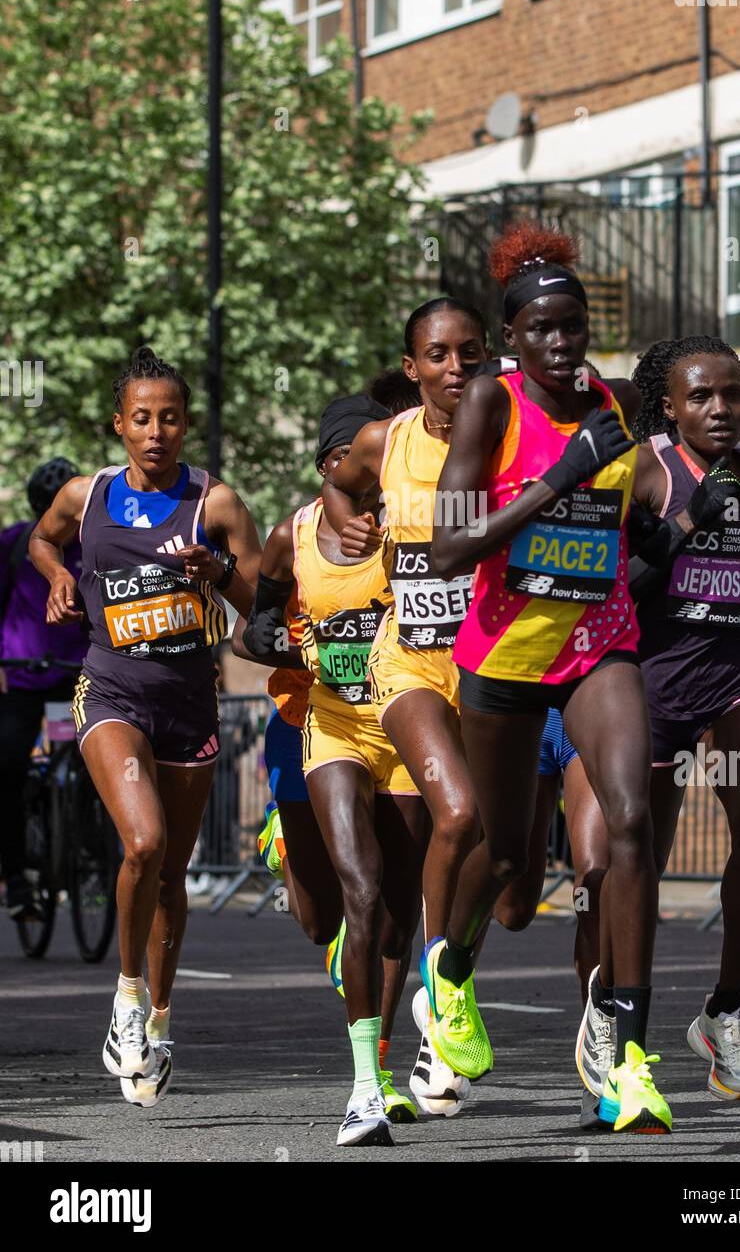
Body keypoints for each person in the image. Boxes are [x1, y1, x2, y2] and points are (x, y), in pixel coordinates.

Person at [428, 221, 673, 1135]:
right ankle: (448, 973)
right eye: (544, 331)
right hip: (502, 657)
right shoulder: (492, 406)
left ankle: (632, 1055)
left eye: (574, 326)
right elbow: (451, 547)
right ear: (512, 341)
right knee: (505, 862)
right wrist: (560, 477)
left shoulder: (612, 404)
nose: (564, 345)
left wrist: (654, 526)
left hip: (596, 641)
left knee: (632, 820)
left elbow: (633, 524)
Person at [574, 334, 740, 1109]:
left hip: (739, 673)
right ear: (670, 407)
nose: (721, 409)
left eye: (733, 395)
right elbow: (615, 580)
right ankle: (613, 1006)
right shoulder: (644, 469)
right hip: (651, 682)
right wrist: (684, 525)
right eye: (702, 397)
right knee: (637, 853)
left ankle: (725, 1011)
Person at [29, 346, 261, 1107]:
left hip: (190, 704)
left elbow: (262, 599)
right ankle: (126, 1000)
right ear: (119, 424)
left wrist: (216, 574)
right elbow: (43, 537)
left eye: (169, 418)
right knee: (145, 842)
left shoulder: (214, 504)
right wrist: (61, 575)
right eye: (141, 418)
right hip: (112, 691)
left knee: (170, 878)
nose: (155, 431)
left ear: (185, 423)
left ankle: (161, 1018)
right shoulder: (85, 494)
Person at [242, 393, 430, 1147]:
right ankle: (361, 1090)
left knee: (396, 910)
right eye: (373, 449)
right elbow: (255, 626)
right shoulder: (290, 537)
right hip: (334, 727)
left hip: (406, 727)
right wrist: (297, 647)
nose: (389, 458)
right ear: (333, 462)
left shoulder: (408, 524)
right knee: (355, 893)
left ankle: (380, 1068)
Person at [321, 298, 491, 1118]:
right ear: (412, 364)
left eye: (468, 354)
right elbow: (340, 485)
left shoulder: (513, 432)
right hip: (410, 660)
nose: (454, 369)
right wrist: (357, 530)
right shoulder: (386, 440)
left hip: (493, 666)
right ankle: (426, 991)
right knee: (453, 819)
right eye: (437, 355)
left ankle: (442, 1007)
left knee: (501, 868)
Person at [0, 458, 87, 920]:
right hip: (22, 678)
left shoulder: (93, 542)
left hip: (76, 678)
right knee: (8, 768)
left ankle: (89, 849)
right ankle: (16, 879)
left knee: (92, 767)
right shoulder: (17, 544)